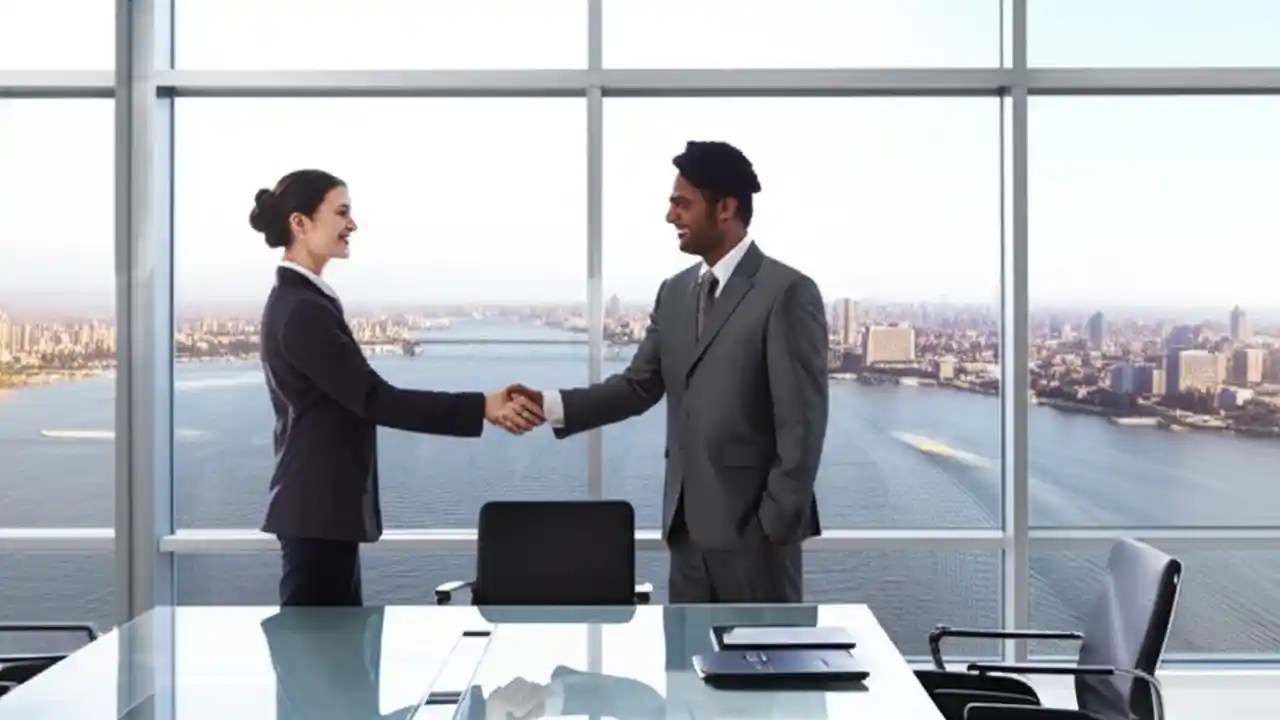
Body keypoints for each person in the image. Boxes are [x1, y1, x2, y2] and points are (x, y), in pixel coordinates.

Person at [514, 141, 829, 603]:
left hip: (756, 545)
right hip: (686, 538)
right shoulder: (674, 292)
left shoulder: (788, 292)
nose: (670, 216)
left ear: (725, 208)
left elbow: (802, 424)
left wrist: (773, 527)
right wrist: (549, 405)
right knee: (685, 652)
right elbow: (638, 386)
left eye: (682, 204)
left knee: (762, 653)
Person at [250, 169, 543, 607]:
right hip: (317, 511)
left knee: (328, 643)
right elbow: (376, 399)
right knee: (316, 646)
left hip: (320, 512)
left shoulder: (302, 301)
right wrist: (482, 406)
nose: (352, 224)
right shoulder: (303, 310)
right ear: (300, 223)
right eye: (341, 213)